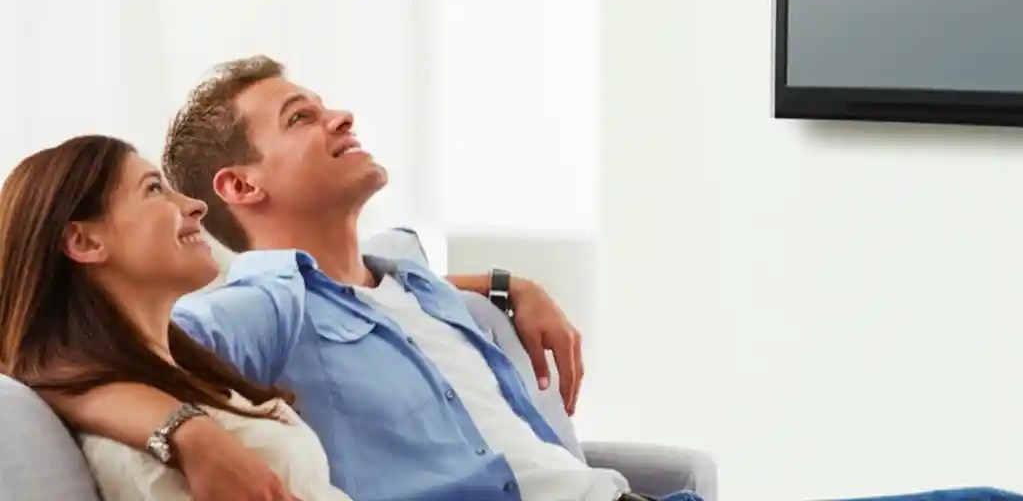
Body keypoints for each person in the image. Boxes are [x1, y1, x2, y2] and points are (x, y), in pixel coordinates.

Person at [38, 56, 701, 501]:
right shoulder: (264, 305)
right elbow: (84, 363)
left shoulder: (410, 279)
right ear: (240, 185)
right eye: (300, 118)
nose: (342, 118)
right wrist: (188, 433)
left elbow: (375, 288)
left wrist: (506, 286)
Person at [0, 135, 352, 500]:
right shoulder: (138, 455)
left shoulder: (181, 385)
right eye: (153, 189)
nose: (197, 205)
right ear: (85, 242)